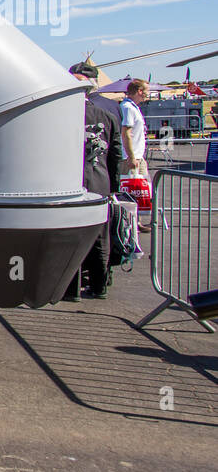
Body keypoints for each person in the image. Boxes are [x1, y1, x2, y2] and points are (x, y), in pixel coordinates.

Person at [64, 63, 123, 301]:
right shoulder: (108, 115)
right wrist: (114, 187)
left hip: (71, 181)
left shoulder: (64, 115)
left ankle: (71, 289)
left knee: (71, 236)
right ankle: (100, 286)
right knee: (100, 236)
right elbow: (115, 155)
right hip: (100, 180)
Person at [120, 78, 150, 230]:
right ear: (139, 91)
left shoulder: (133, 107)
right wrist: (131, 156)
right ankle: (129, 223)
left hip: (137, 156)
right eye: (146, 91)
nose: (147, 94)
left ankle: (136, 222)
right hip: (131, 157)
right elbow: (126, 133)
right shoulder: (127, 108)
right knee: (131, 191)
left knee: (140, 190)